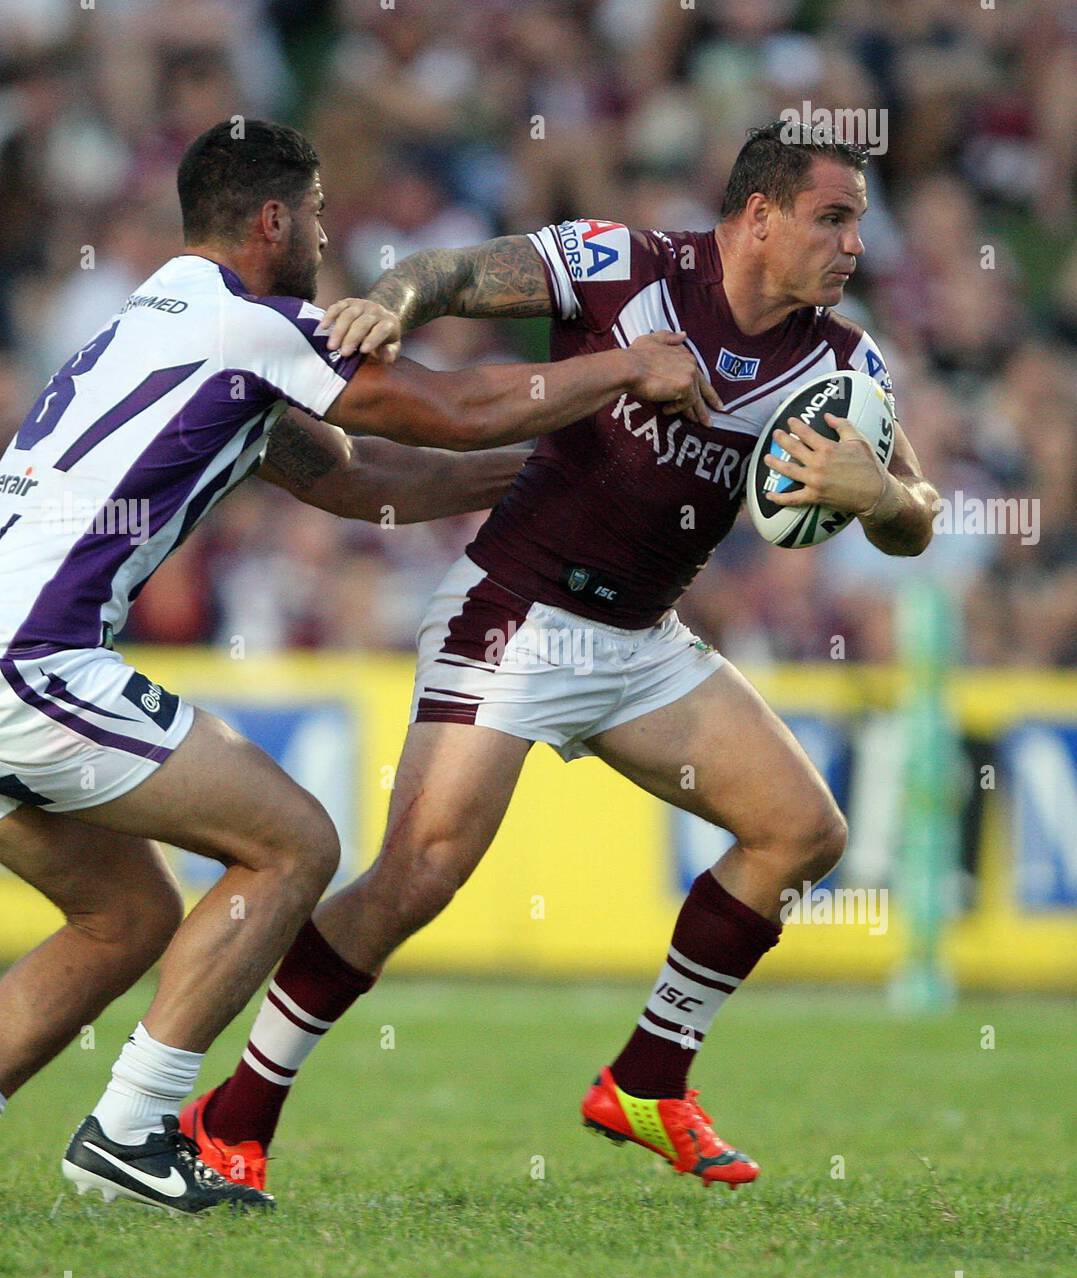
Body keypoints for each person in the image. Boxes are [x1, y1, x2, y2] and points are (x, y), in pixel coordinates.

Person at [184, 122, 938, 1192]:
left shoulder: (844, 360)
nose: (854, 243)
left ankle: (649, 1078)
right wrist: (390, 303)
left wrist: (885, 499)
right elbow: (449, 271)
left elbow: (919, 510)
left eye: (858, 221)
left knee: (802, 831)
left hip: (645, 643)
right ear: (760, 215)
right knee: (418, 874)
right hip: (518, 611)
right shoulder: (627, 266)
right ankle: (232, 1112)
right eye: (834, 216)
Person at [0, 118, 713, 1214]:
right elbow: (447, 409)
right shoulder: (256, 322)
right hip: (31, 661)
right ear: (275, 219)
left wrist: (541, 480)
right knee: (294, 844)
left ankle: (127, 1128)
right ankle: (132, 1132)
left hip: (20, 659)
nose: (331, 234)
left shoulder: (164, 316)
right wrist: (629, 369)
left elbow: (354, 477)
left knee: (125, 919)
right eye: (323, 210)